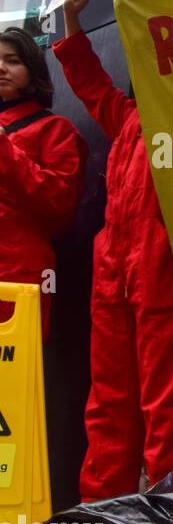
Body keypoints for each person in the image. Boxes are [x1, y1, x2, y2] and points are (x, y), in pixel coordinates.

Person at [55, 0, 173, 499]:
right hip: (113, 275)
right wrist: (72, 20)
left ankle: (170, 517)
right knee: (108, 399)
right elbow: (89, 79)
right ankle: (103, 510)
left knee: (166, 404)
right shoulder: (127, 119)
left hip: (166, 271)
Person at [0, 28, 86, 336]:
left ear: (32, 70)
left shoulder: (54, 130)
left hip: (20, 269)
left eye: (12, 60)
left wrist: (5, 148)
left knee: (11, 373)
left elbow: (59, 201)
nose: (1, 68)